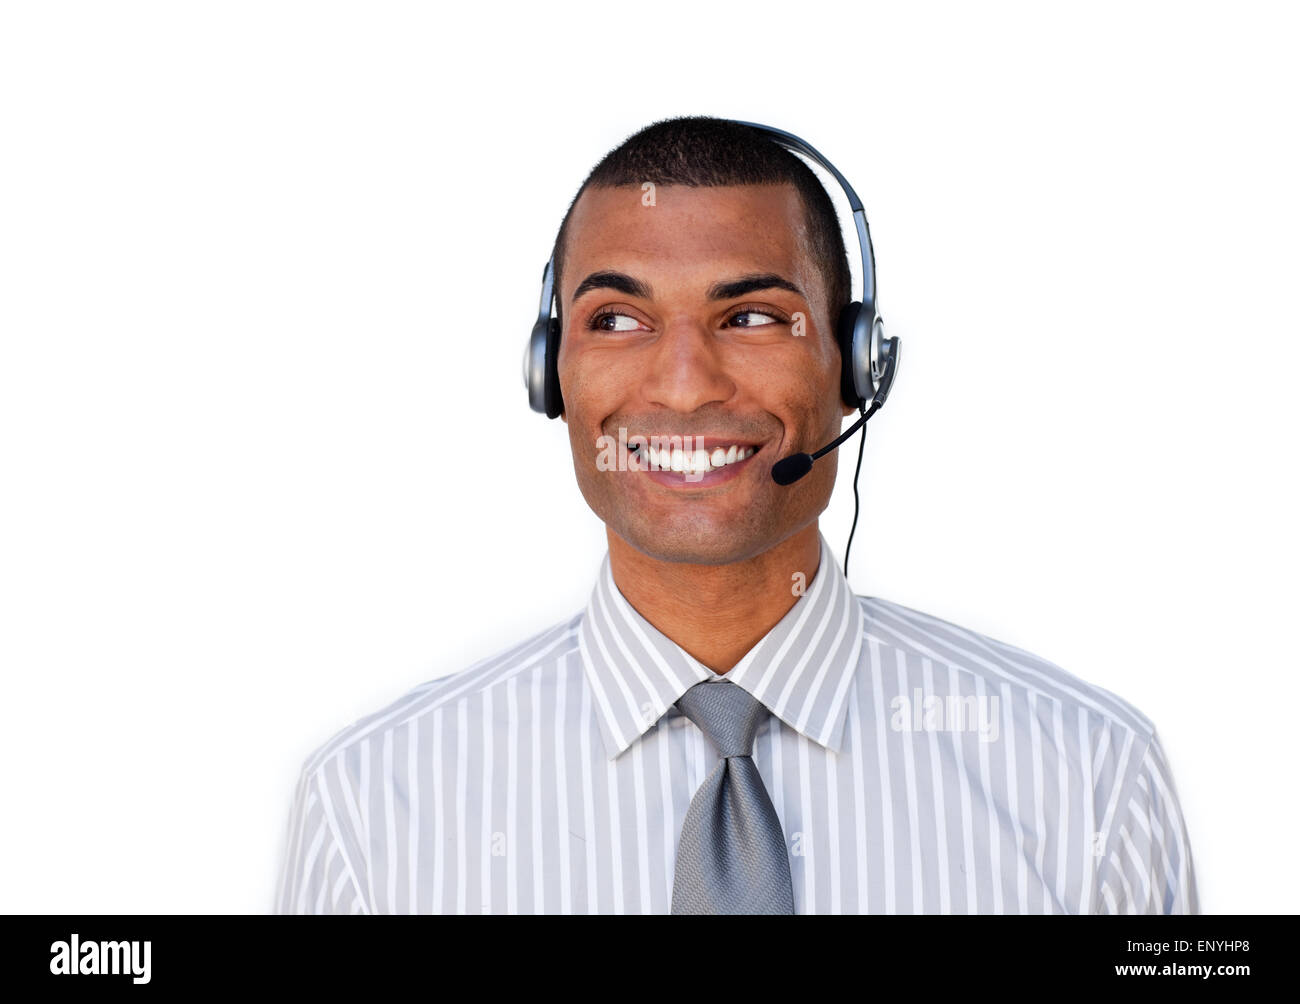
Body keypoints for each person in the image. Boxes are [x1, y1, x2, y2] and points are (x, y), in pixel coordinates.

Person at [274, 116, 1197, 915]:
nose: (683, 389)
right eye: (617, 321)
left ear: (857, 365)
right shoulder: (373, 802)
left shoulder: (1089, 778)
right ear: (549, 374)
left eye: (753, 318)